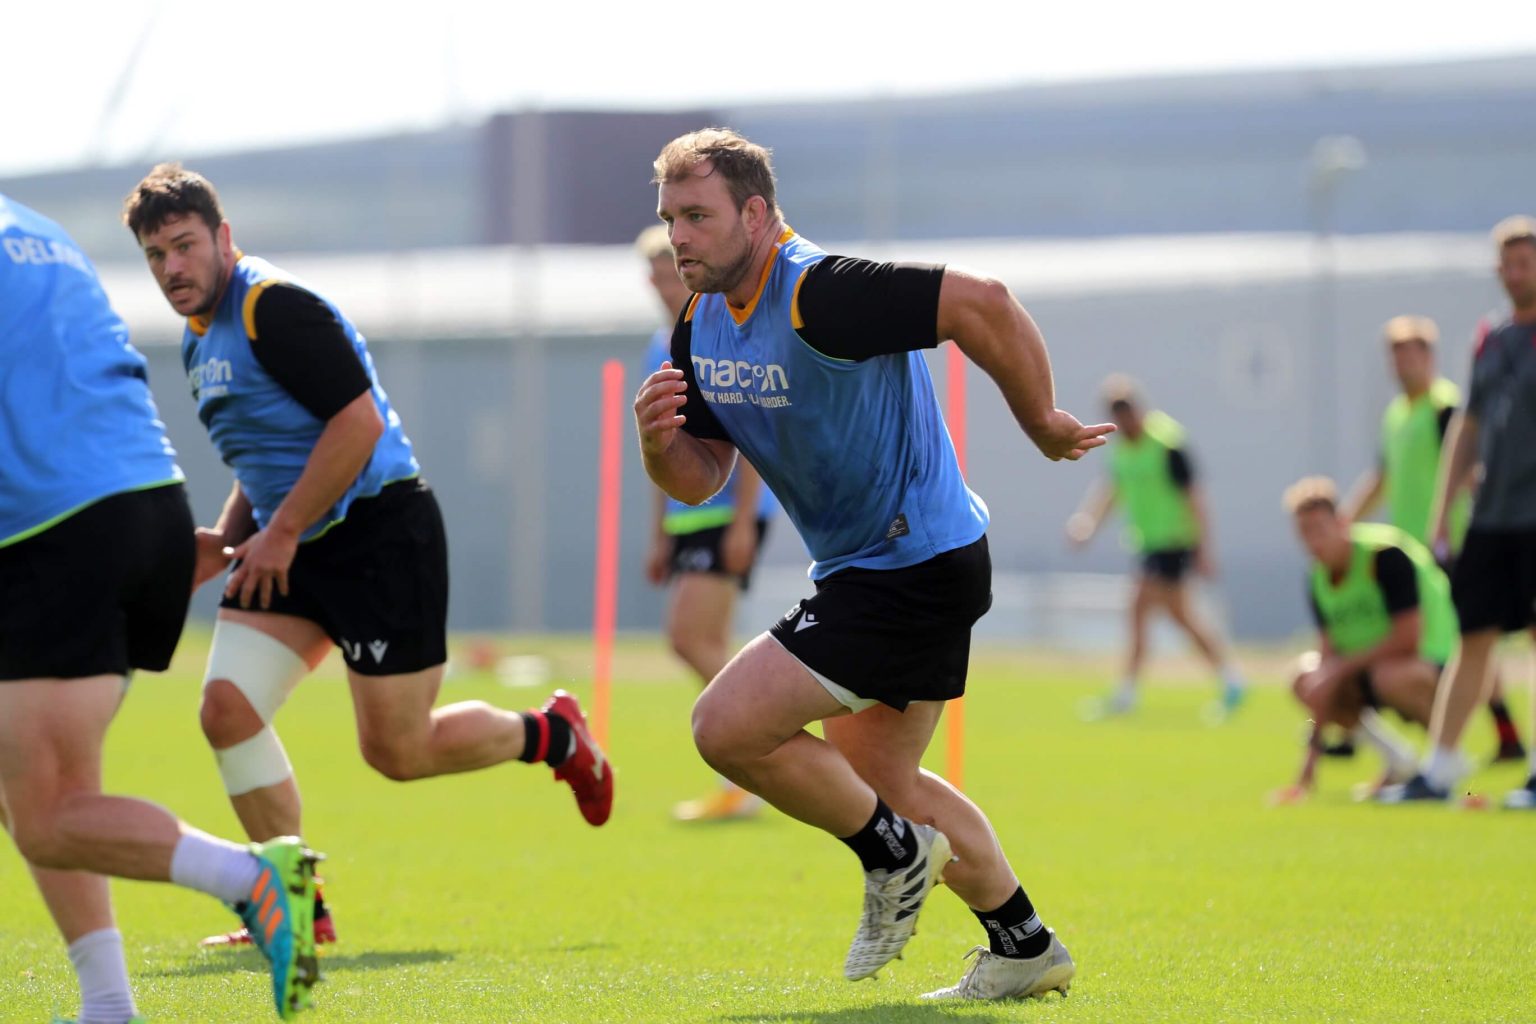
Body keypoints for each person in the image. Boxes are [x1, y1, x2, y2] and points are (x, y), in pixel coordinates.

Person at [636, 128, 1111, 1001]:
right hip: (879, 568)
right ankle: (1024, 945)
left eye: (697, 216)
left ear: (757, 213)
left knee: (726, 727)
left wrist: (1041, 419)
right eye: (670, 219)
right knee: (883, 783)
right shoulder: (700, 322)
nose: (680, 238)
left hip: (913, 564)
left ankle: (892, 856)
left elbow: (985, 302)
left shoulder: (819, 292)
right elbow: (703, 476)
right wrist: (657, 446)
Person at [122, 164, 614, 948]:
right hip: (289, 544)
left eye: (184, 246)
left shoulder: (273, 308)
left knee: (398, 752)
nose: (172, 269)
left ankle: (552, 736)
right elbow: (262, 456)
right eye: (155, 256)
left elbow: (358, 427)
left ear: (222, 237)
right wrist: (228, 539)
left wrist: (277, 534)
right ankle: (292, 903)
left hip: (379, 534)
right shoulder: (195, 339)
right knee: (225, 710)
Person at [0, 193, 320, 1022]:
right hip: (141, 507)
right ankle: (107, 1002)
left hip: (56, 528)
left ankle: (254, 882)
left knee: (49, 815)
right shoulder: (35, 229)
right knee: (35, 792)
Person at [1381, 216, 1536, 805]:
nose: (1516, 274)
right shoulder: (1491, 339)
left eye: (1526, 262)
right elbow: (1468, 427)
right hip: (1493, 517)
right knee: (1474, 638)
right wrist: (1444, 513)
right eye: (1508, 264)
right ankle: (1440, 768)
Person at [635, 224, 778, 822]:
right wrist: (659, 533)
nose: (664, 284)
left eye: (673, 271)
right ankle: (748, 765)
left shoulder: (722, 328)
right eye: (656, 276)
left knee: (691, 639)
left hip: (727, 512)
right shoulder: (657, 345)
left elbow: (752, 434)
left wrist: (746, 520)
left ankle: (764, 737)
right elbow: (657, 447)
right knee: (705, 643)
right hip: (686, 516)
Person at [1340, 316, 1524, 762]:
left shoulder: (1445, 408)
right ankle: (1497, 737)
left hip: (1449, 544)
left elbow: (1470, 467)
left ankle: (1498, 736)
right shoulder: (1397, 414)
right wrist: (1345, 522)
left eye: (1412, 353)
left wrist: (1477, 520)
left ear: (1430, 357)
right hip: (1410, 549)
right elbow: (1383, 477)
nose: (1403, 363)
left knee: (1471, 639)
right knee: (1469, 640)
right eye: (1397, 354)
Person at [1065, 376, 1247, 718]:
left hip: (1175, 541)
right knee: (1180, 617)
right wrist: (1087, 523)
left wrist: (1204, 548)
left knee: (1139, 608)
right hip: (1149, 544)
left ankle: (1127, 693)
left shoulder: (1168, 443)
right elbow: (1111, 491)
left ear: (1138, 411)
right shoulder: (1123, 450)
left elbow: (1195, 496)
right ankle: (1231, 679)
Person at [1271, 479, 1453, 803]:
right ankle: (1399, 761)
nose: (1312, 542)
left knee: (1393, 677)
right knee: (1305, 678)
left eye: (1318, 528)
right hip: (1369, 669)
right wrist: (1307, 769)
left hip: (1435, 663)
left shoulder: (1384, 557)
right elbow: (1327, 661)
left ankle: (1444, 766)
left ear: (1342, 522)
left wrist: (1339, 669)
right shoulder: (1317, 578)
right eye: (1303, 533)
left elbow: (1407, 637)